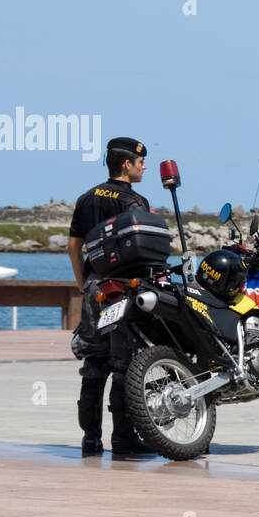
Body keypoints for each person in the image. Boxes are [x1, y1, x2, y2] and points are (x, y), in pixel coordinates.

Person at [67, 137, 156, 459]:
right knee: (125, 364)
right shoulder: (134, 202)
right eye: (140, 161)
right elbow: (146, 251)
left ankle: (90, 441)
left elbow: (73, 246)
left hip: (95, 289)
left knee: (94, 363)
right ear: (126, 164)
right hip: (125, 291)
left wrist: (84, 283)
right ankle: (123, 440)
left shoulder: (87, 198)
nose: (144, 166)